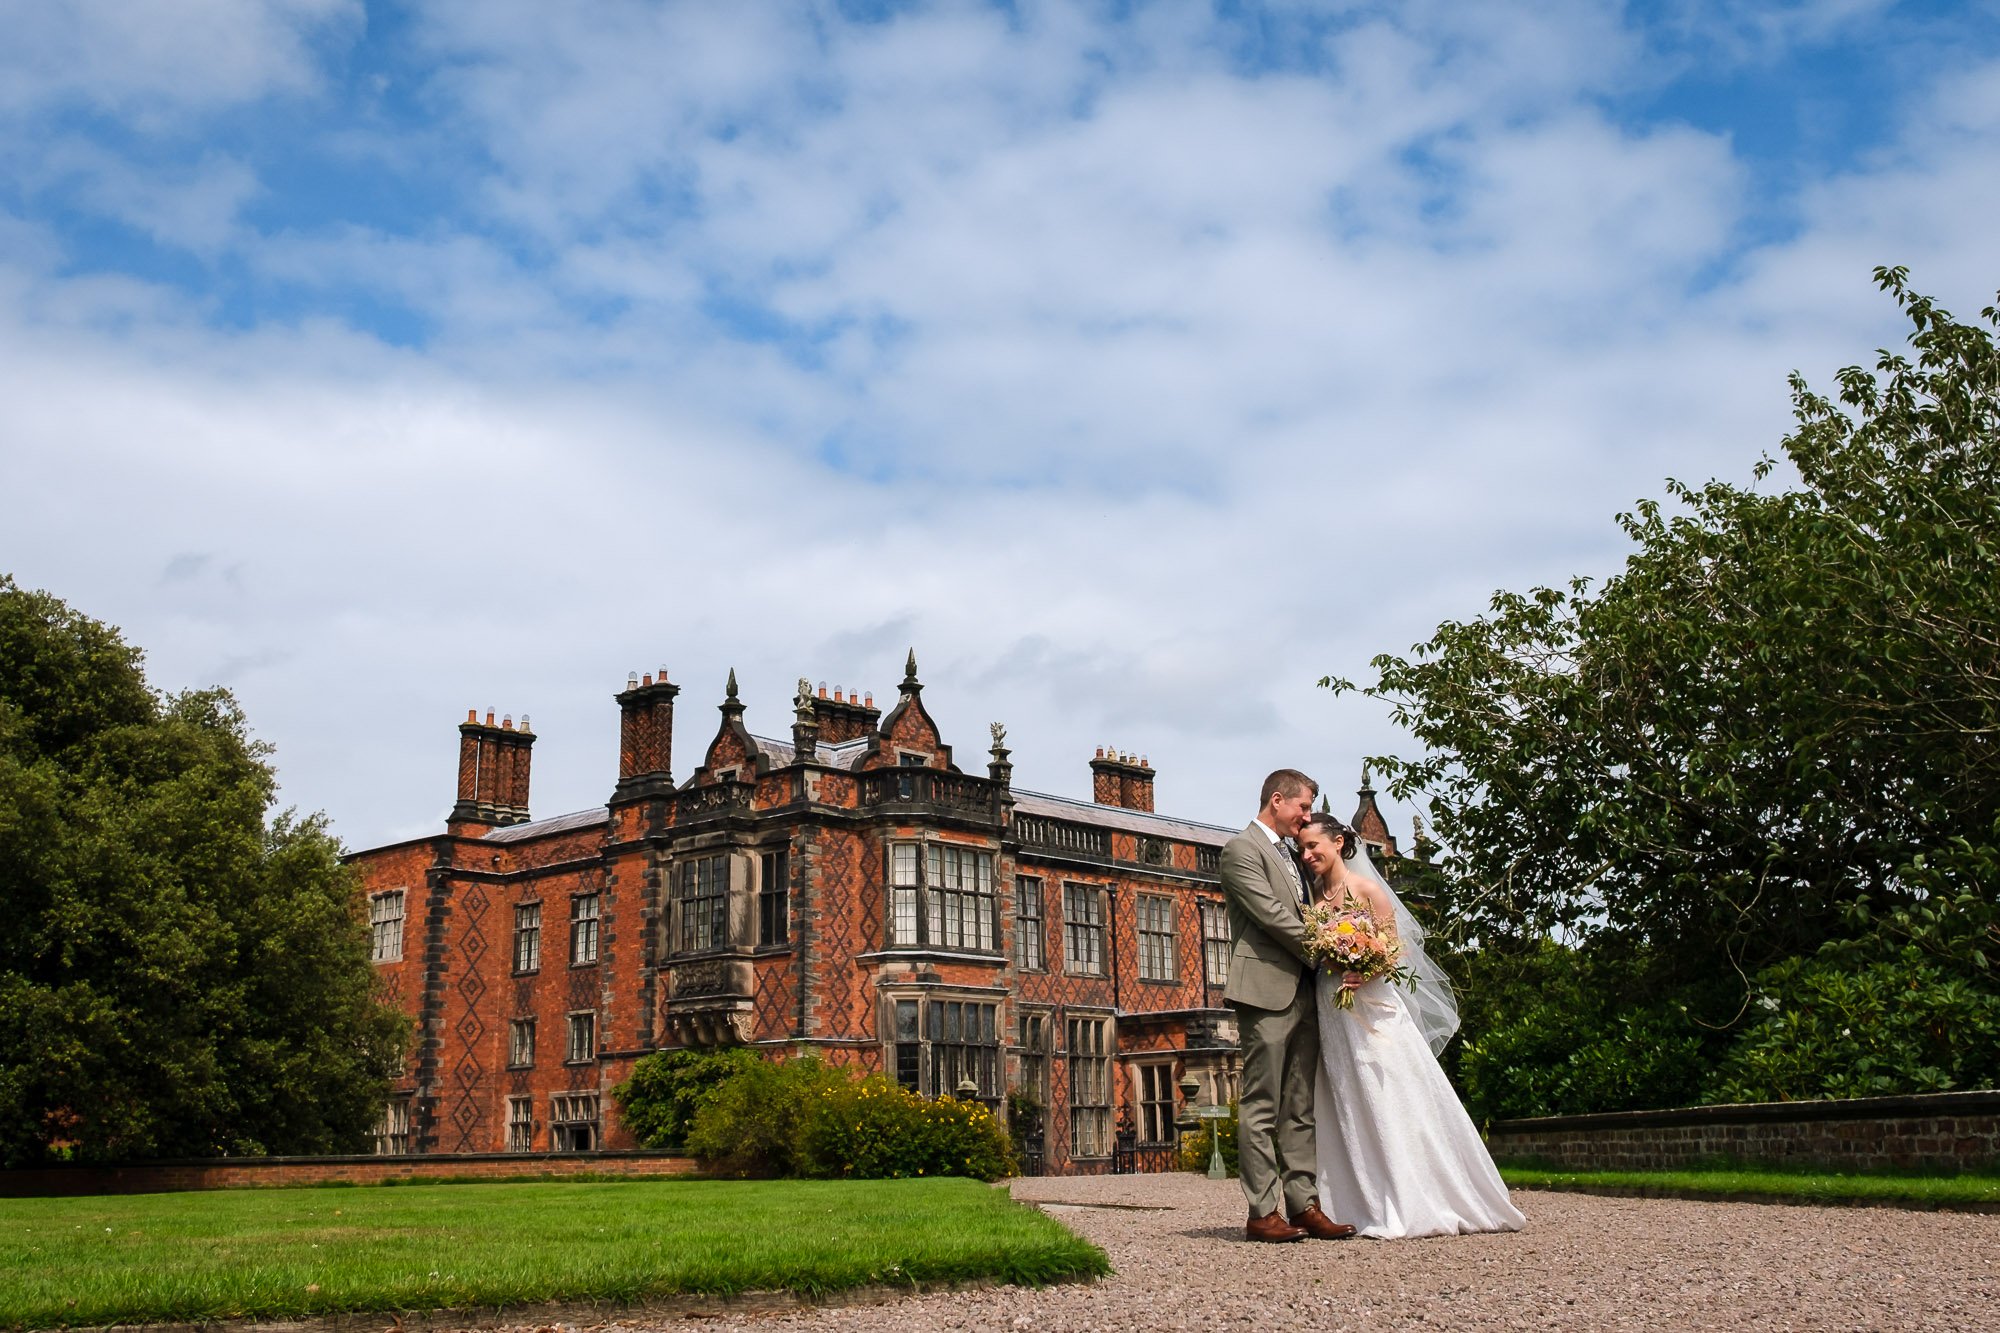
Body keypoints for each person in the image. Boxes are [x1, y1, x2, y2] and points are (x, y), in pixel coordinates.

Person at [1298, 811, 1526, 1239]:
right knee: (1345, 1097)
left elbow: (1394, 949)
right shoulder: (1311, 899)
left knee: (1389, 1090)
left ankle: (1413, 1197)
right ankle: (1358, 1200)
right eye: (1303, 848)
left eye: (1315, 846)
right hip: (1331, 1007)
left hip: (1371, 1007)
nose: (1308, 854)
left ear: (1339, 844)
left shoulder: (1367, 888)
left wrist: (1364, 969)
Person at [1217, 770, 1357, 1243]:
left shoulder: (1295, 855)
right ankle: (1262, 1212)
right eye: (1303, 807)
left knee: (1300, 1106)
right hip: (1264, 990)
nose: (1307, 817)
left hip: (1305, 988)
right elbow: (1273, 917)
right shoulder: (1241, 851)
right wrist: (1333, 950)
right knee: (1261, 1104)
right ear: (1277, 800)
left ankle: (1305, 1205)